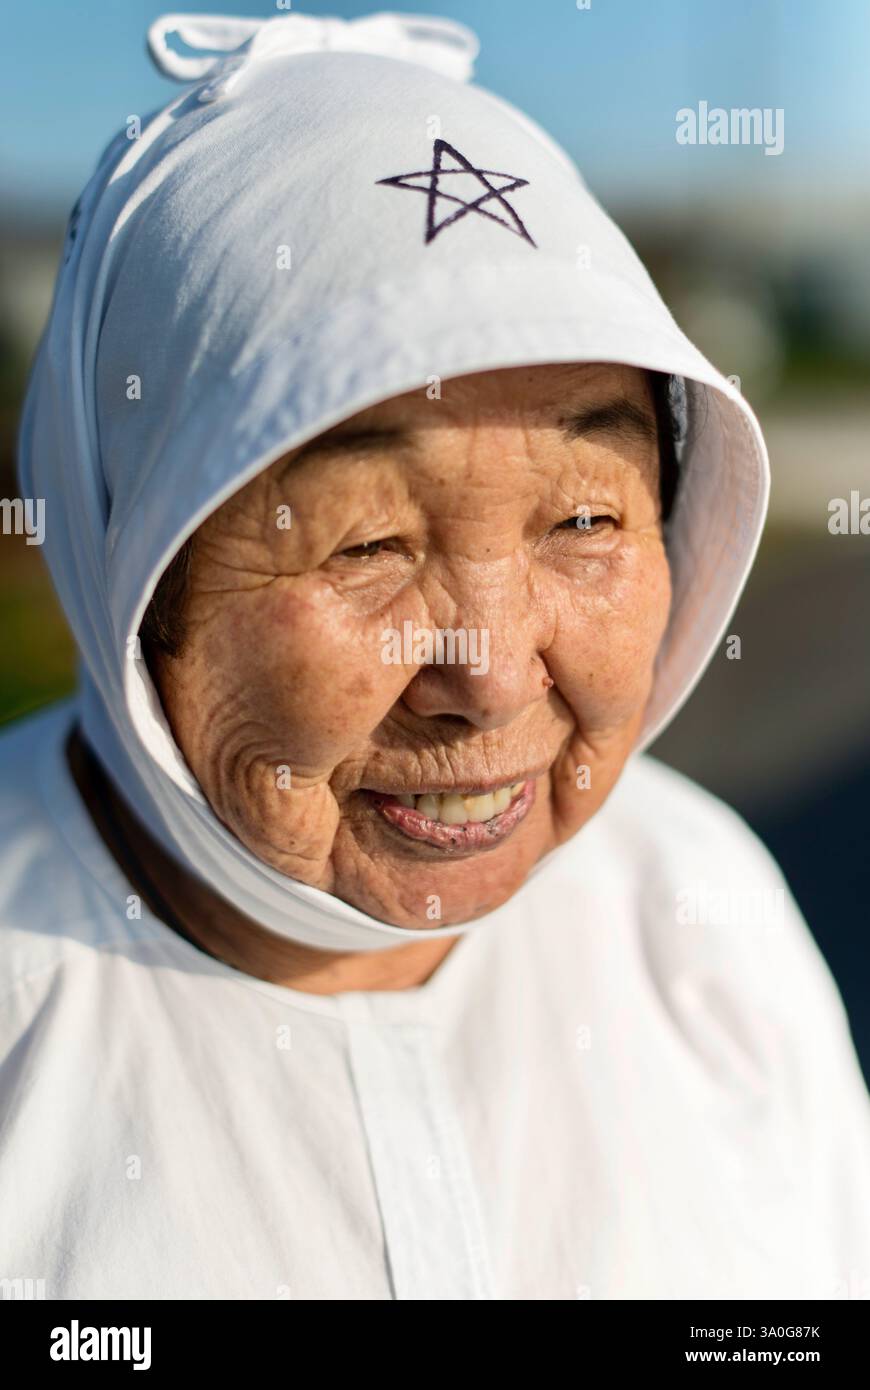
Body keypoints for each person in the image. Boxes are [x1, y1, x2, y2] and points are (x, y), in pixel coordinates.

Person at [2, 9, 869, 1300]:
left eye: (584, 517)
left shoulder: (699, 917)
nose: (495, 674)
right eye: (365, 544)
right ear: (130, 558)